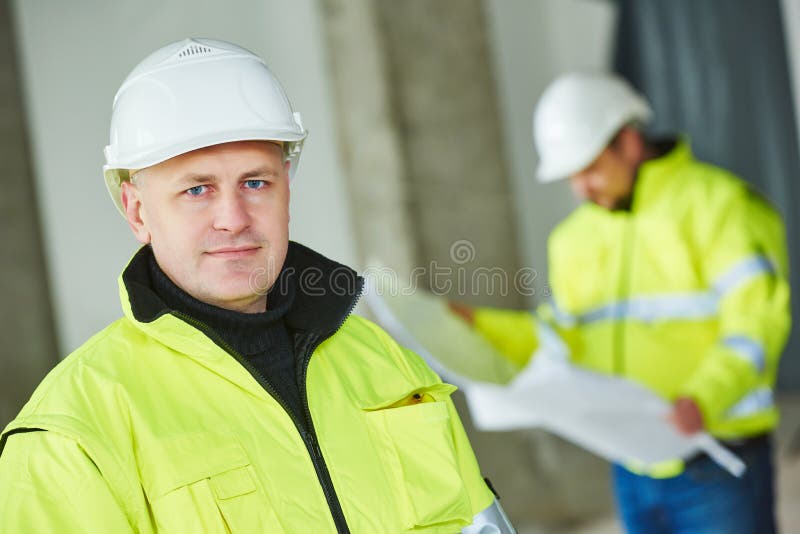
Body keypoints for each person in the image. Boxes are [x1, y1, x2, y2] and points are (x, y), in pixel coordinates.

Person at [0, 38, 514, 533]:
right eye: (197, 189)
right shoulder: (74, 435)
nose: (233, 218)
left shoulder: (383, 362)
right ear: (137, 210)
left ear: (287, 187)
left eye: (255, 183)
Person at [450, 72, 789, 533]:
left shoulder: (720, 205)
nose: (581, 189)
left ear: (627, 143)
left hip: (716, 459)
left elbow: (757, 323)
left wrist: (704, 398)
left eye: (589, 169)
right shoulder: (573, 240)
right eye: (572, 176)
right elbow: (561, 338)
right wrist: (477, 325)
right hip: (632, 466)